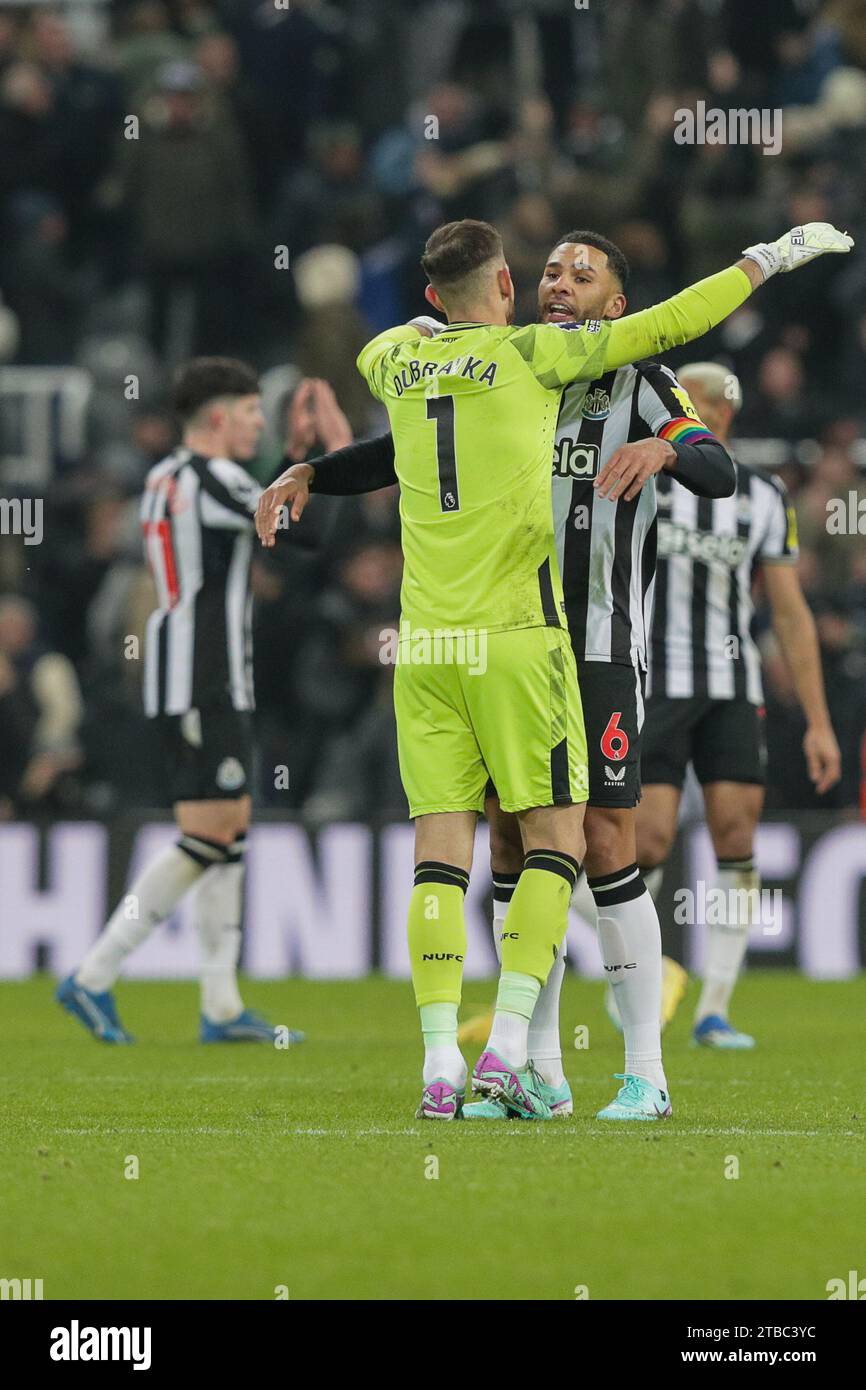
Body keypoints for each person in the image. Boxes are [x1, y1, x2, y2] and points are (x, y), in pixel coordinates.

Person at [257, 218, 851, 1121]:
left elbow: (719, 468)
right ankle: (538, 1068)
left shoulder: (641, 381)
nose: (559, 282)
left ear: (616, 304)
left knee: (607, 848)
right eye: (549, 271)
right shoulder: (518, 362)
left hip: (597, 645)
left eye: (583, 274)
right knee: (509, 850)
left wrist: (668, 447)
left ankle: (645, 1071)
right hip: (515, 645)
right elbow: (399, 455)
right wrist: (319, 470)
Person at [56, 358, 308, 1045]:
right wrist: (309, 460)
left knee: (227, 833)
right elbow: (294, 530)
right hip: (207, 674)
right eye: (253, 413)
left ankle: (222, 1005)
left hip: (186, 673)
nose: (259, 424)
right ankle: (95, 974)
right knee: (210, 833)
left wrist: (290, 461)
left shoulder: (164, 476)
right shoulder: (215, 477)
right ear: (220, 417)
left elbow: (257, 512)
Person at [631, 361, 842, 1048]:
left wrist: (817, 721)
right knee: (647, 841)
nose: (701, 407)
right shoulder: (646, 476)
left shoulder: (761, 495)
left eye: (708, 399)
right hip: (653, 679)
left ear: (726, 410)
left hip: (731, 687)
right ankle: (638, 977)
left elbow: (789, 612)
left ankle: (713, 1008)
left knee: (735, 837)